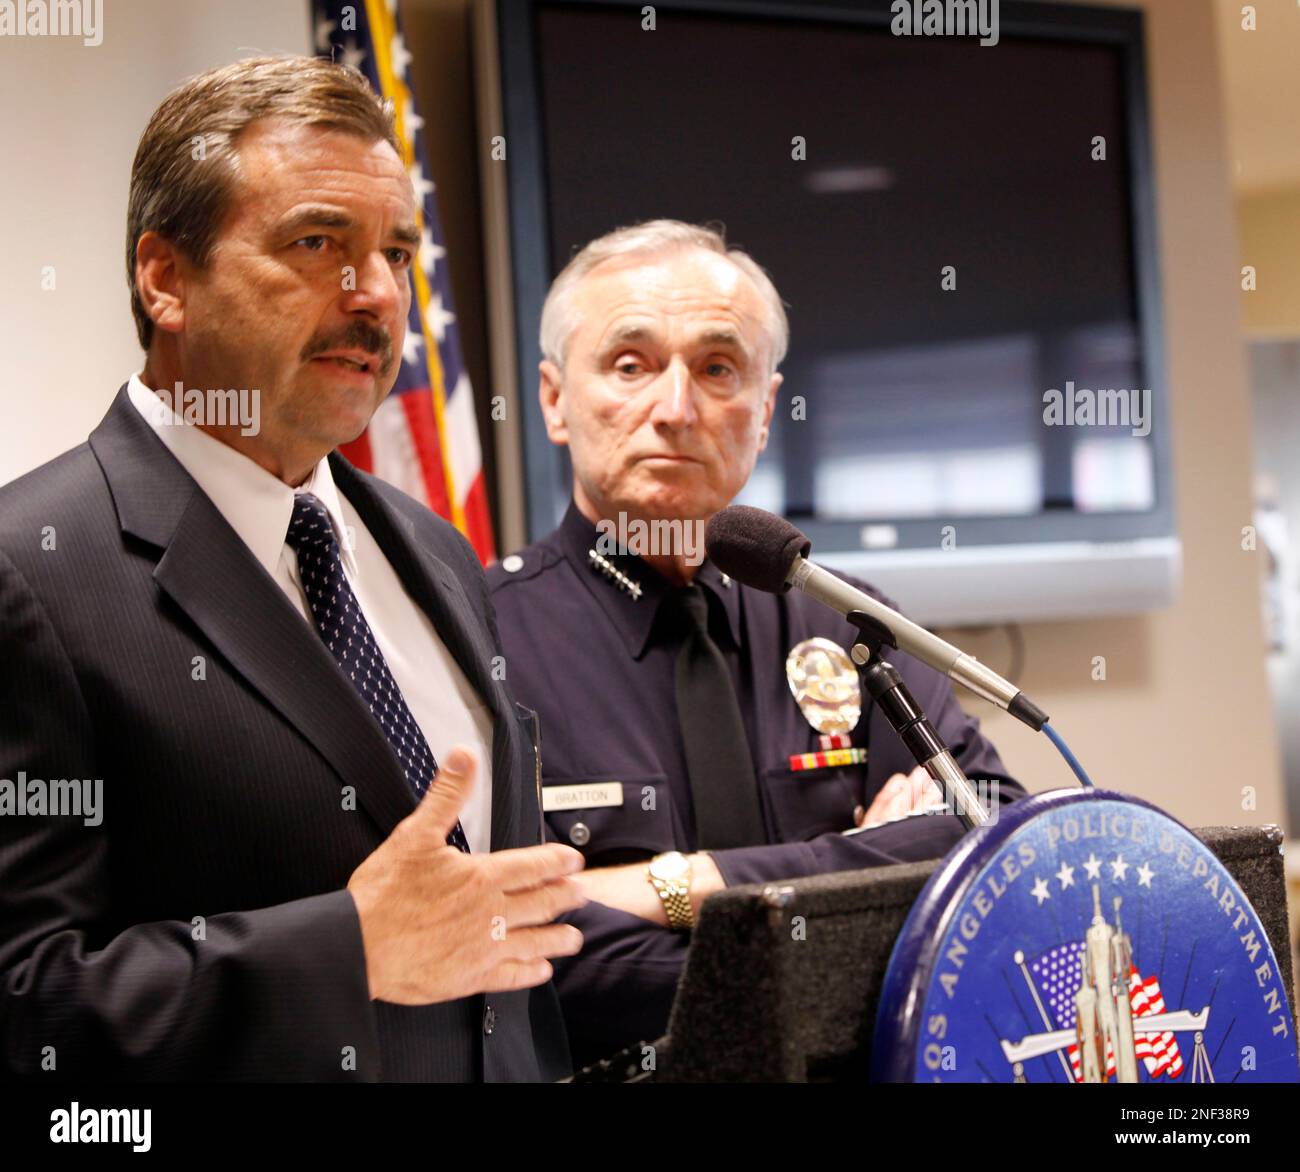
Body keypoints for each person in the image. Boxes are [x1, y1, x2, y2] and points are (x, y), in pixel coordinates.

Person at [0, 56, 586, 1082]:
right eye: (318, 243)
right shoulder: (32, 571)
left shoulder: (432, 549)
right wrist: (344, 950)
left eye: (395, 254)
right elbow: (27, 1000)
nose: (374, 296)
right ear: (165, 277)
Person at [486, 220, 1025, 1067]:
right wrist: (854, 889)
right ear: (555, 401)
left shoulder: (845, 624)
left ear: (766, 410)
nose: (675, 408)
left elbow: (991, 826)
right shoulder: (481, 640)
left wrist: (681, 886)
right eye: (630, 366)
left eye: (717, 369)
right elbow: (513, 952)